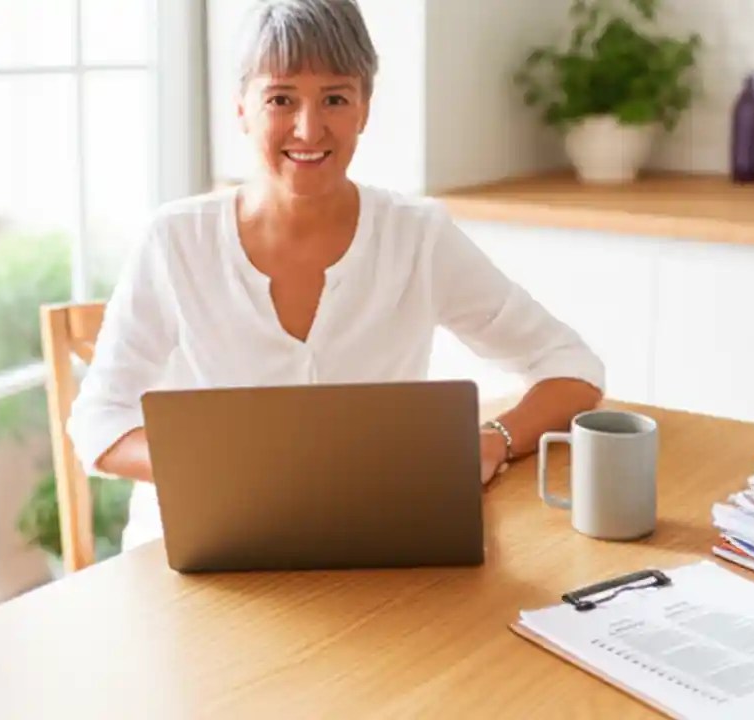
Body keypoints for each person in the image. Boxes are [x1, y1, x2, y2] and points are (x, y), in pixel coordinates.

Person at [68, 0, 604, 550]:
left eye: (335, 98)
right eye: (280, 98)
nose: (308, 128)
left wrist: (497, 438)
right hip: (196, 558)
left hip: (368, 546)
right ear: (242, 109)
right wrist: (227, 472)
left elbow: (572, 367)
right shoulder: (174, 240)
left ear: (364, 110)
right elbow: (97, 423)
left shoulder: (417, 236)